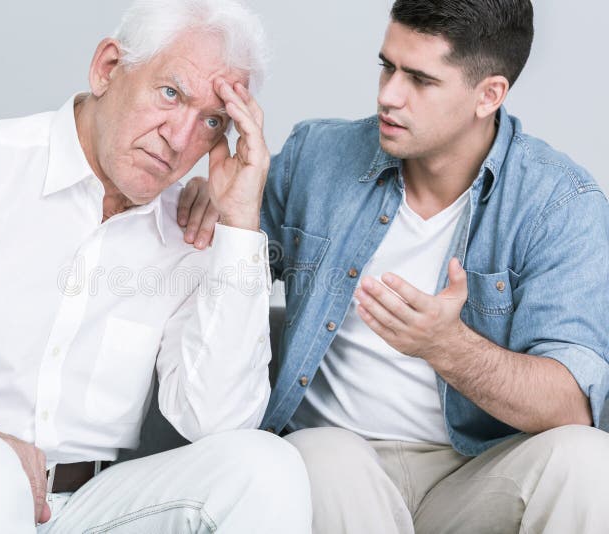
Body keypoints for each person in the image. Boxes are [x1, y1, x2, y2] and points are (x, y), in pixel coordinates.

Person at [0, 1, 314, 532]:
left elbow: (219, 423)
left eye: (211, 120)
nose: (180, 138)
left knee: (265, 465)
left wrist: (239, 225)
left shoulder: (192, 234)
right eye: (171, 93)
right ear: (108, 68)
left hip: (76, 507)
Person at [179, 0, 609, 531]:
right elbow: (212, 288)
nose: (388, 95)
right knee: (320, 457)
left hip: (475, 472)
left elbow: (572, 402)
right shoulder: (317, 156)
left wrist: (445, 346)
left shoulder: (560, 204)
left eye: (421, 81)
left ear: (489, 95)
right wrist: (231, 214)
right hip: (337, 460)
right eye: (388, 67)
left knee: (589, 461)